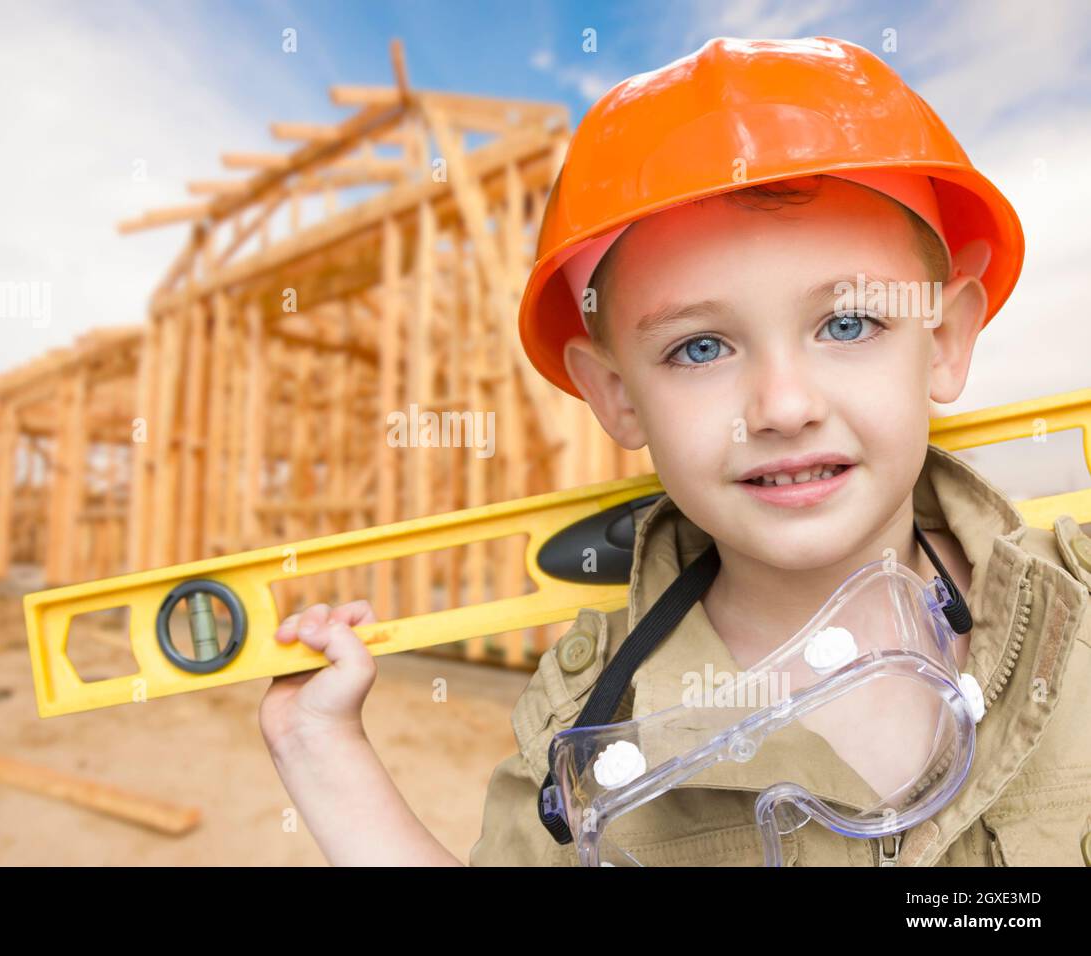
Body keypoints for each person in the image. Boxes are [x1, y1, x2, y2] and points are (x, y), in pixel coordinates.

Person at [258, 36, 1091, 866]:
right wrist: (317, 744)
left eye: (847, 324)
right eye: (700, 349)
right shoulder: (586, 736)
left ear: (944, 339)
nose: (783, 406)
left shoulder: (1077, 611)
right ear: (617, 395)